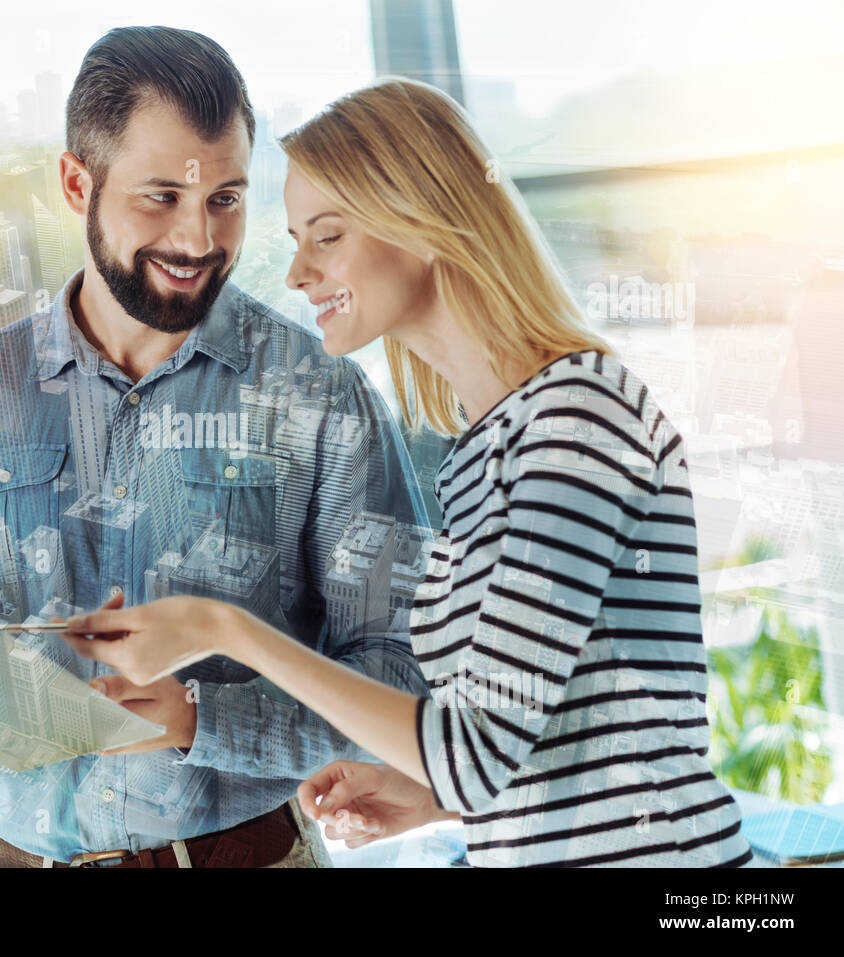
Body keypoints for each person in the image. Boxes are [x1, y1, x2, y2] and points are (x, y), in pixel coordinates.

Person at [59, 77, 755, 867]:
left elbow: (472, 748)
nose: (297, 275)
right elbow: (545, 718)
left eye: (327, 235)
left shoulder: (576, 420)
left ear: (421, 222)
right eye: (293, 241)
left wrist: (226, 629)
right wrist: (430, 794)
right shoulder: (488, 446)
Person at [0, 27, 434, 867]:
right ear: (75, 183)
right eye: (161, 196)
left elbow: (400, 681)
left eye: (225, 198)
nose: (198, 239)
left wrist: (204, 719)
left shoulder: (315, 394)